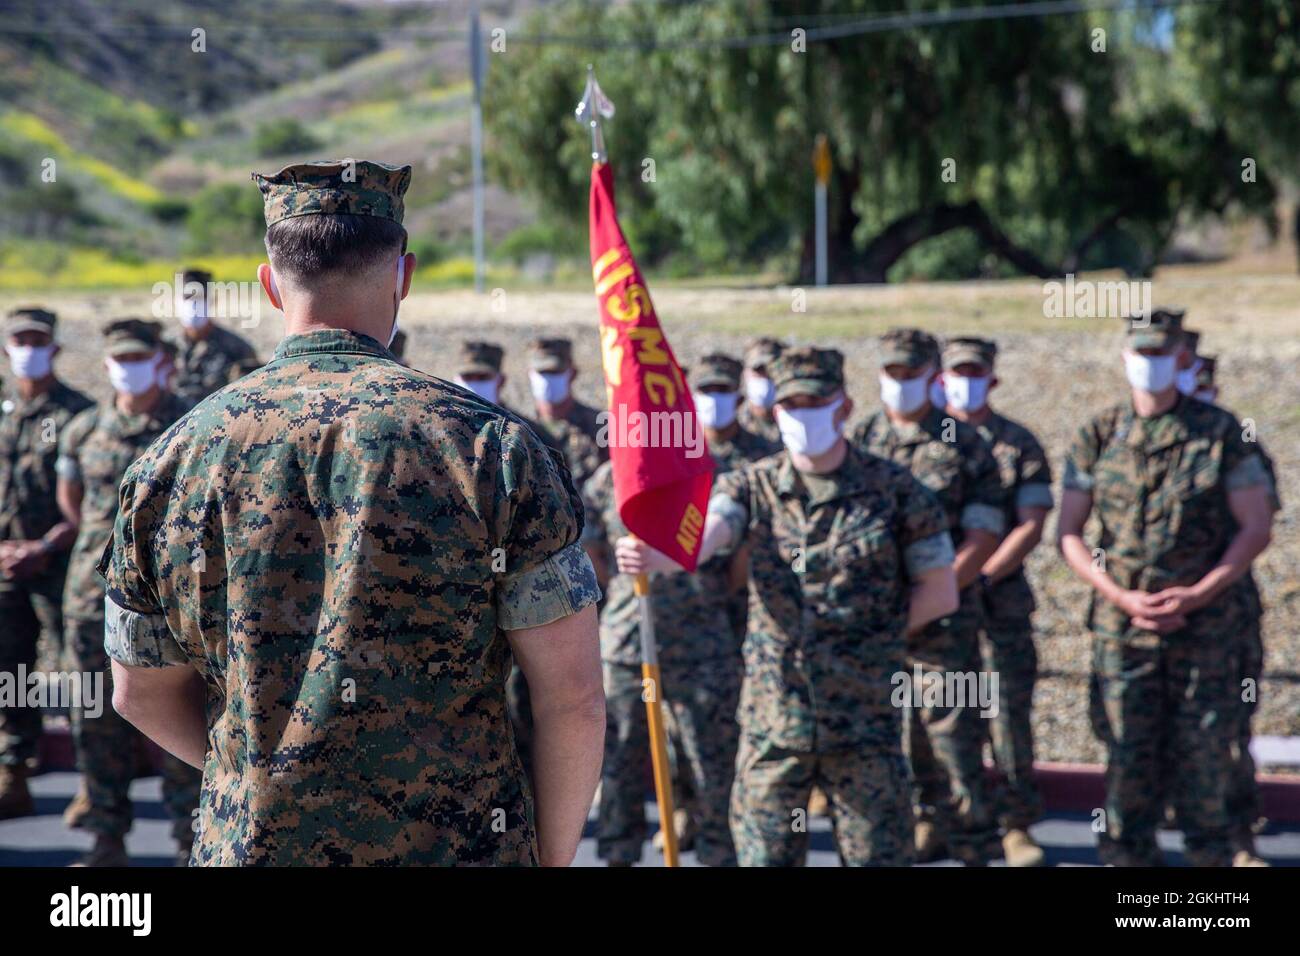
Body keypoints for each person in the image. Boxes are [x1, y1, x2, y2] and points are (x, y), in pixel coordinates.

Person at [100, 159, 604, 866]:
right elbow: (573, 697)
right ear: (404, 275)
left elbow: (137, 691)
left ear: (271, 284)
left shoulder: (173, 459)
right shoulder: (494, 449)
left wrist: (258, 775)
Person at [617, 347, 959, 866]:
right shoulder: (752, 484)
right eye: (790, 405)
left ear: (842, 408)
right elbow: (713, 533)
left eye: (814, 403)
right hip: (774, 725)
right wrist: (662, 554)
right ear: (775, 412)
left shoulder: (896, 492)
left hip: (863, 723)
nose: (801, 415)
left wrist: (869, 643)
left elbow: (940, 591)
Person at [1057, 309, 1275, 867]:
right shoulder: (1098, 433)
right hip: (1123, 629)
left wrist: (1200, 593)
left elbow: (1254, 528)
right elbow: (1070, 533)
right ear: (1125, 357)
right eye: (1141, 353)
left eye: (1162, 354)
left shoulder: (1221, 433)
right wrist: (1118, 594)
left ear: (1181, 358)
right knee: (1128, 759)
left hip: (1205, 629)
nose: (1150, 364)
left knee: (1204, 760)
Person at [582, 353, 775, 866]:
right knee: (620, 765)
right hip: (626, 642)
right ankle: (620, 854)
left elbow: (741, 557)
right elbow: (592, 555)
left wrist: (710, 596)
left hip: (702, 642)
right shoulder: (609, 479)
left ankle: (717, 853)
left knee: (711, 764)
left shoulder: (710, 476)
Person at [849, 328, 1006, 865]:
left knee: (955, 743)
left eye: (910, 373)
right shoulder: (861, 438)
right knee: (893, 742)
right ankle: (924, 825)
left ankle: (976, 844)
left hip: (945, 627)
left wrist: (932, 598)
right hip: (876, 628)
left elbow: (983, 535)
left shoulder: (963, 443)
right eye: (891, 372)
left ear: (931, 377)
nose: (899, 382)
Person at [55, 319, 201, 866]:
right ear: (106, 363)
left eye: (140, 356)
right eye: (120, 357)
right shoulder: (83, 429)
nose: (129, 367)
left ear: (159, 359)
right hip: (90, 598)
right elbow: (71, 501)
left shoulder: (187, 424)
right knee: (94, 718)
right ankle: (106, 836)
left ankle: (191, 836)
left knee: (178, 709)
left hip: (168, 600)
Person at [937, 336, 1053, 867]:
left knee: (1007, 711)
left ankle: (1015, 825)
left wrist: (979, 576)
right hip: (937, 609)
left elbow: (1031, 524)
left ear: (992, 378)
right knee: (942, 714)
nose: (965, 380)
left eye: (974, 371)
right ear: (939, 379)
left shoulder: (1017, 443)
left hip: (998, 600)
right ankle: (947, 818)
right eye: (956, 371)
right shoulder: (928, 441)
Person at [1183, 343, 1276, 867]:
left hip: (1226, 614)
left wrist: (1202, 590)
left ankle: (1238, 841)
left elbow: (1258, 523)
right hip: (1150, 615)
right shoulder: (1125, 437)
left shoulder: (1239, 445)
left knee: (1227, 731)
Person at [0, 307, 94, 819]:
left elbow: (89, 500)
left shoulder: (76, 413)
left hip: (59, 565)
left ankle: (92, 780)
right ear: (7, 349)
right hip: (4, 567)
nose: (29, 350)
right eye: (20, 341)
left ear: (54, 349)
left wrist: (45, 547)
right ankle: (14, 771)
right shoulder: (2, 409)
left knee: (78, 673)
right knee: (10, 671)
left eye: (38, 341)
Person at [169, 267, 262, 405]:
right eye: (187, 297)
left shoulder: (237, 349)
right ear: (176, 301)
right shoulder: (166, 349)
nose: (193, 303)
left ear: (212, 300)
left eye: (200, 297)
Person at [527, 337, 607, 489]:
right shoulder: (520, 427)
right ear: (530, 374)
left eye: (555, 372)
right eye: (542, 372)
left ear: (573, 373)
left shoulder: (601, 427)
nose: (548, 379)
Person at [737, 337, 784, 444]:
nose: (765, 377)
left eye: (772, 369)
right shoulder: (732, 423)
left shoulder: (799, 420)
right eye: (758, 370)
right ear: (745, 373)